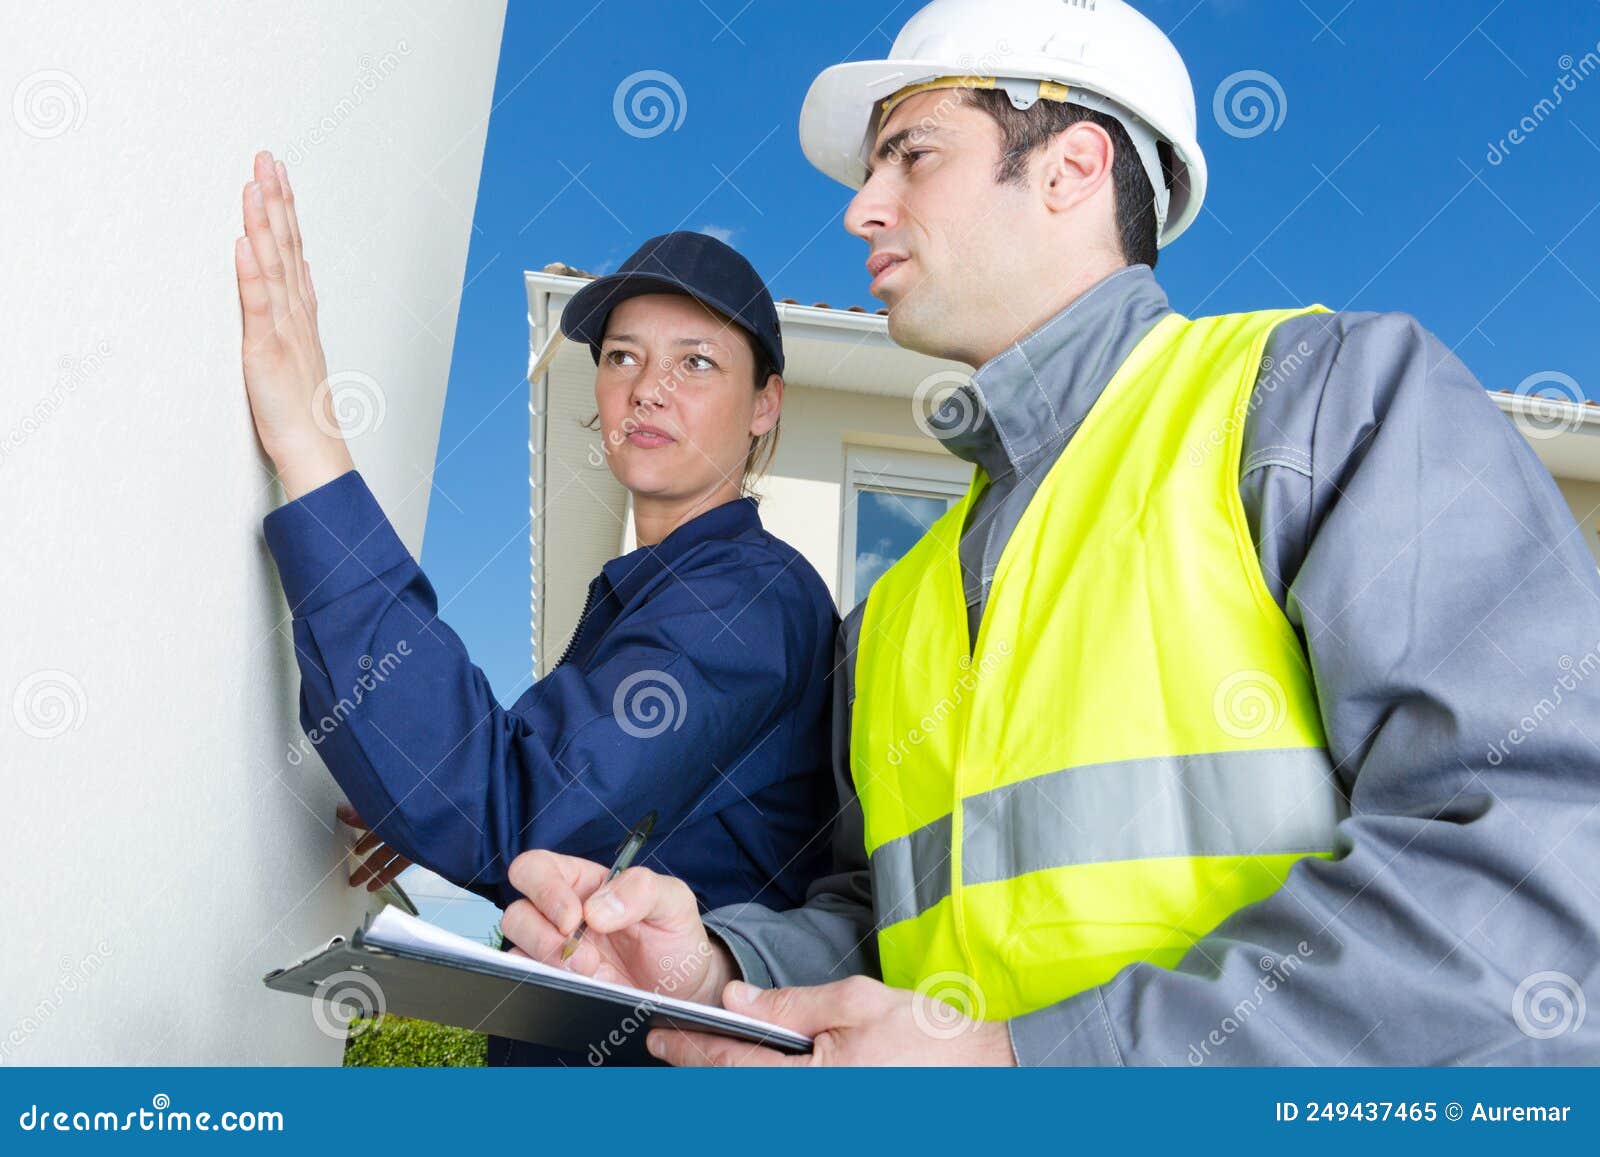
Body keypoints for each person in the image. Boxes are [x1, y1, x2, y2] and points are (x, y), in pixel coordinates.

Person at [497, 0, 1600, 1066]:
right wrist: (720, 970)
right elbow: (891, 921)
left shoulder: (1318, 400)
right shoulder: (896, 608)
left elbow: (1531, 872)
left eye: (910, 157)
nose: (861, 209)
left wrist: (1033, 1065)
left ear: (1072, 168)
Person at [232, 159, 839, 1065]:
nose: (649, 387)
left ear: (765, 405)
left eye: (697, 361)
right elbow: (540, 800)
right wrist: (420, 798)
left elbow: (518, 806)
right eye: (624, 356)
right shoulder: (646, 597)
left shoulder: (749, 596)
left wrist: (307, 443)